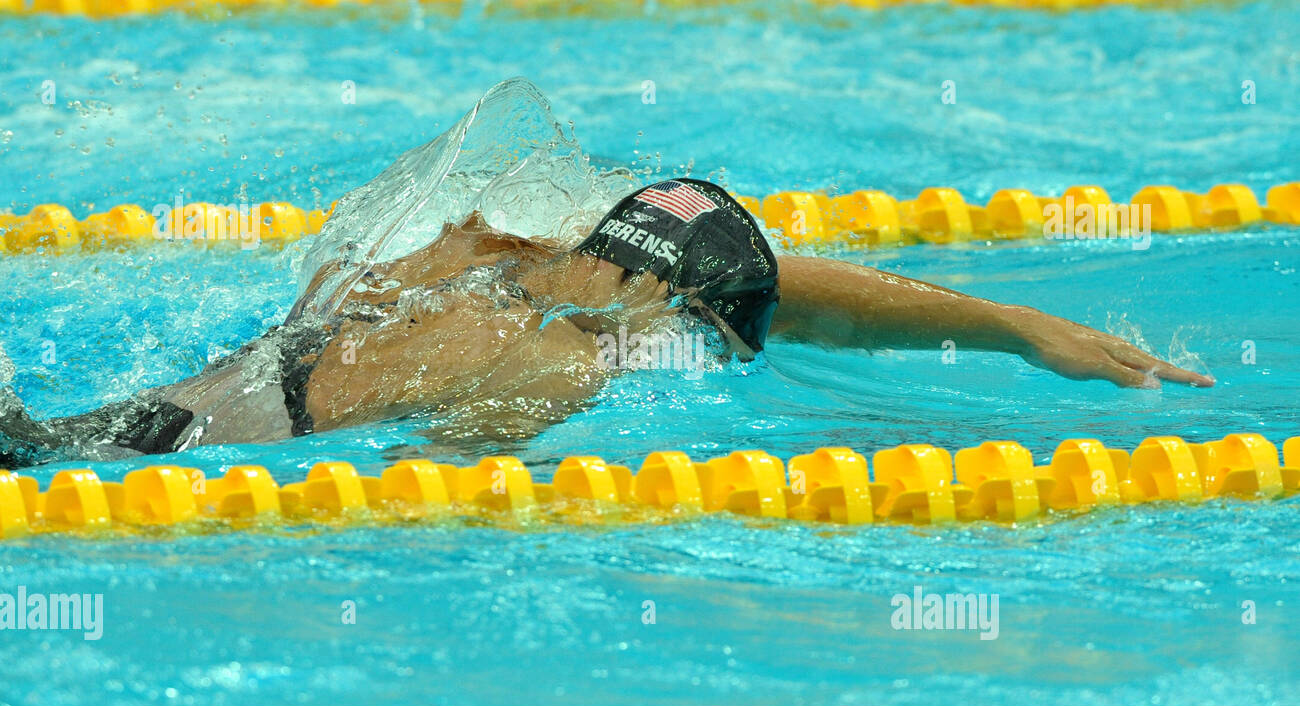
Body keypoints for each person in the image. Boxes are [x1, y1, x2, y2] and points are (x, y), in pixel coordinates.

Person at [0, 177, 1213, 469]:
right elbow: (419, 488)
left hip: (193, 396)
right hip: (180, 461)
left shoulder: (479, 246)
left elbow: (783, 280)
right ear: (682, 309)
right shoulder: (560, 367)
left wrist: (1012, 323)